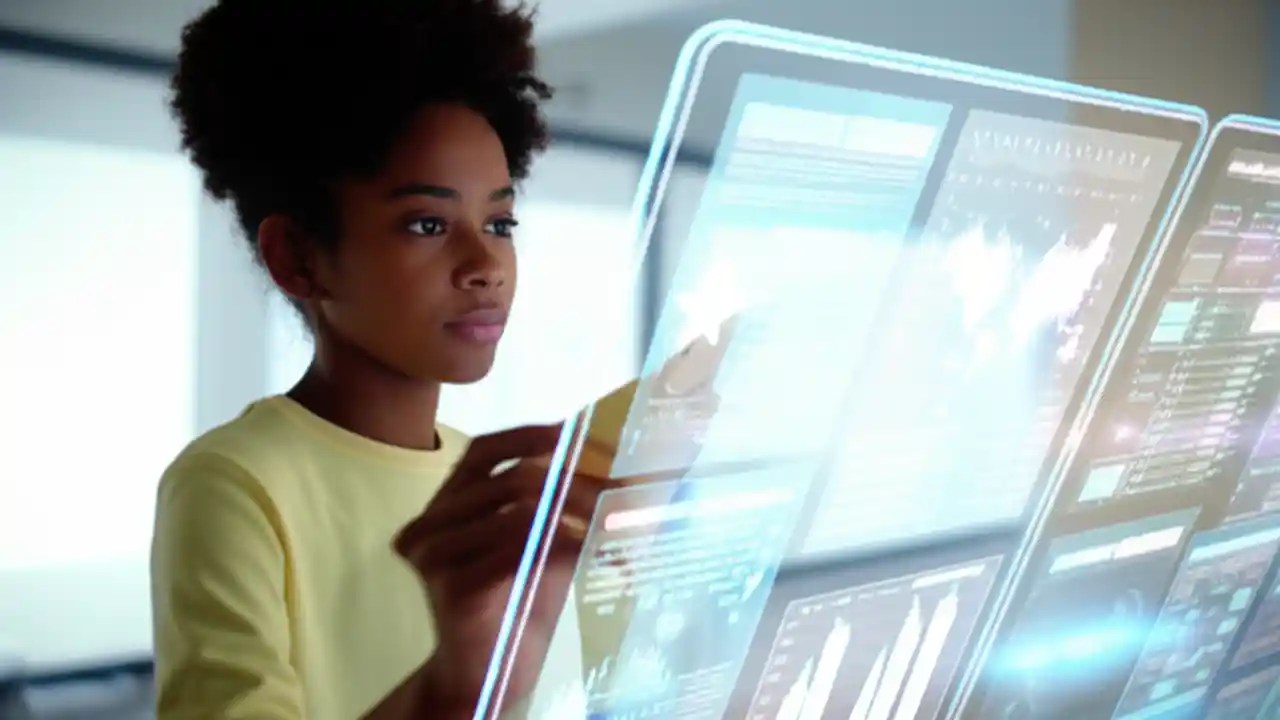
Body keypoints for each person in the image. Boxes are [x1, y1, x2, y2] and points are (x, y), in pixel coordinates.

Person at [150, 1, 610, 717]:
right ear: (299, 259)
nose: (486, 264)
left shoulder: (487, 483)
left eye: (499, 222)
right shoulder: (235, 484)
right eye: (427, 224)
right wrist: (450, 690)